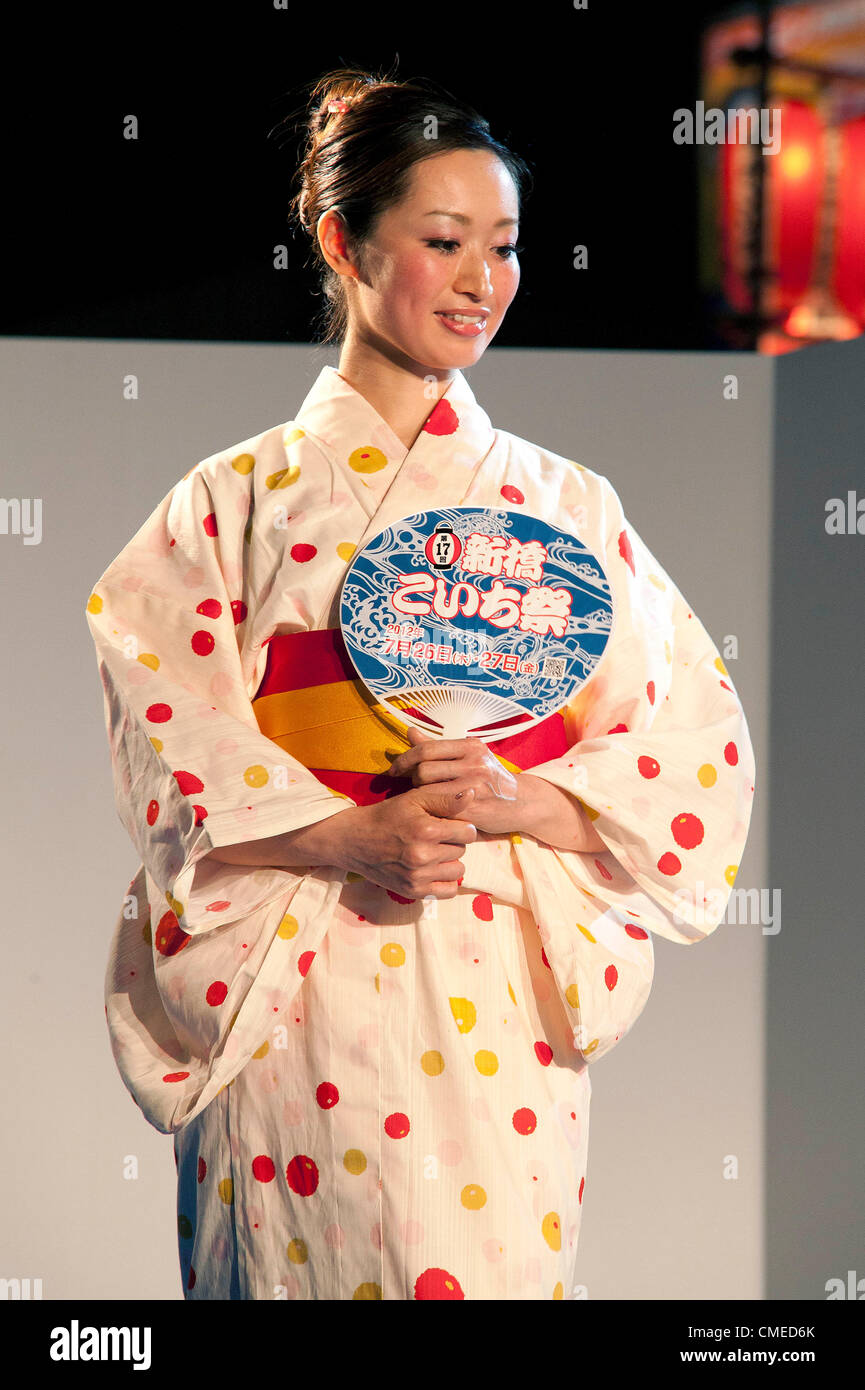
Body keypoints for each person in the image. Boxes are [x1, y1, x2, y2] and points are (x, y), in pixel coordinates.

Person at [85, 67, 756, 1301]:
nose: (480, 280)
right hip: (298, 966)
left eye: (502, 246)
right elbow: (167, 719)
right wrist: (354, 832)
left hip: (489, 971)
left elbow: (693, 740)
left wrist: (521, 801)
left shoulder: (568, 506)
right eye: (442, 241)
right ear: (342, 240)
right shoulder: (232, 500)